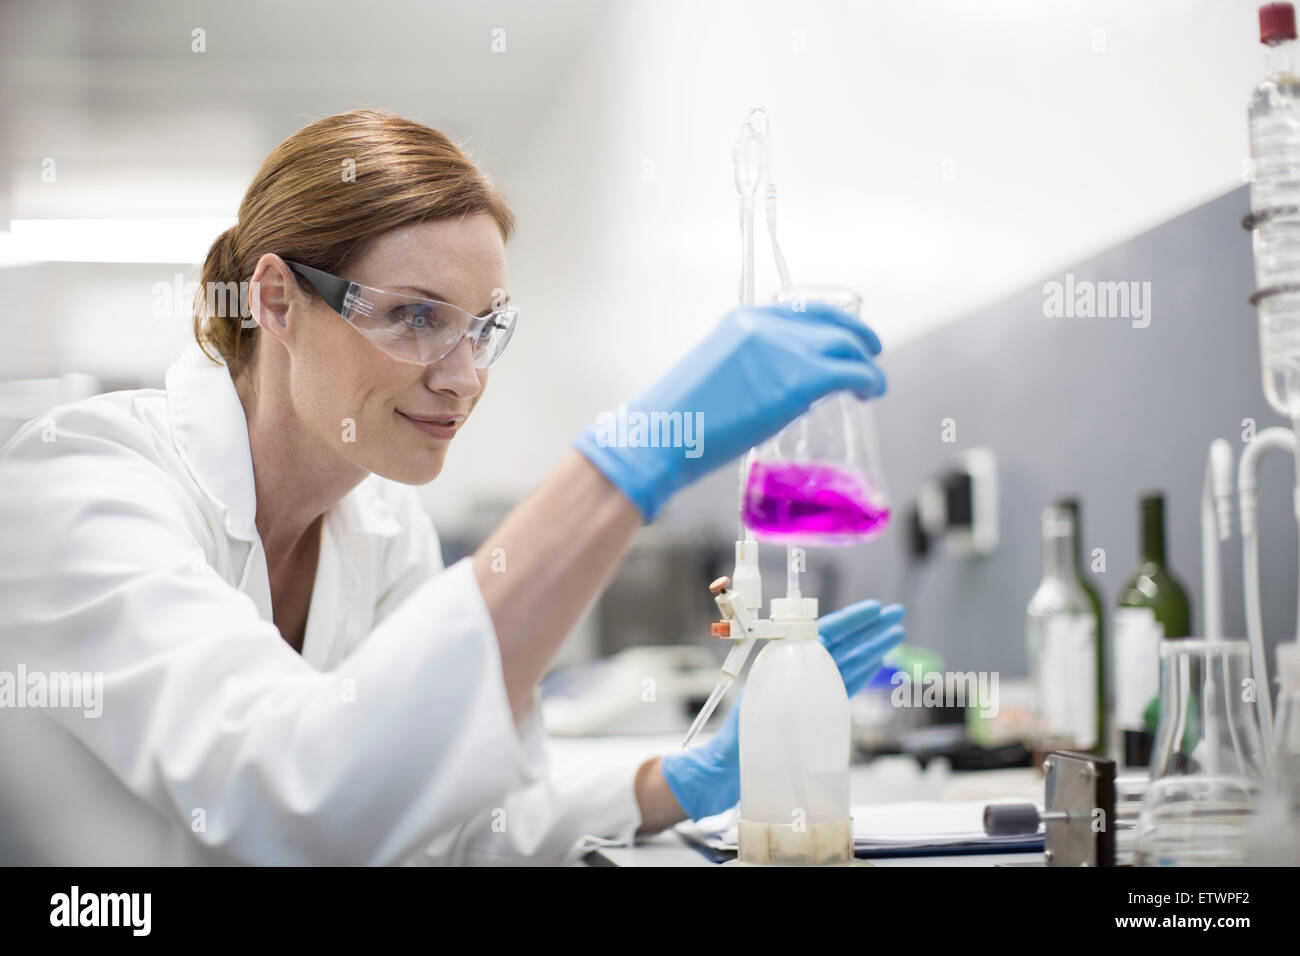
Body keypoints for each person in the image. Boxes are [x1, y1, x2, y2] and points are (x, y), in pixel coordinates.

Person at [0, 108, 904, 865]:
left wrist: (681, 780)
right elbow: (286, 787)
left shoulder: (381, 520)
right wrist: (629, 464)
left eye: (484, 329)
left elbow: (448, 824)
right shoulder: (81, 487)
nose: (463, 377)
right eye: (415, 317)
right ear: (275, 301)